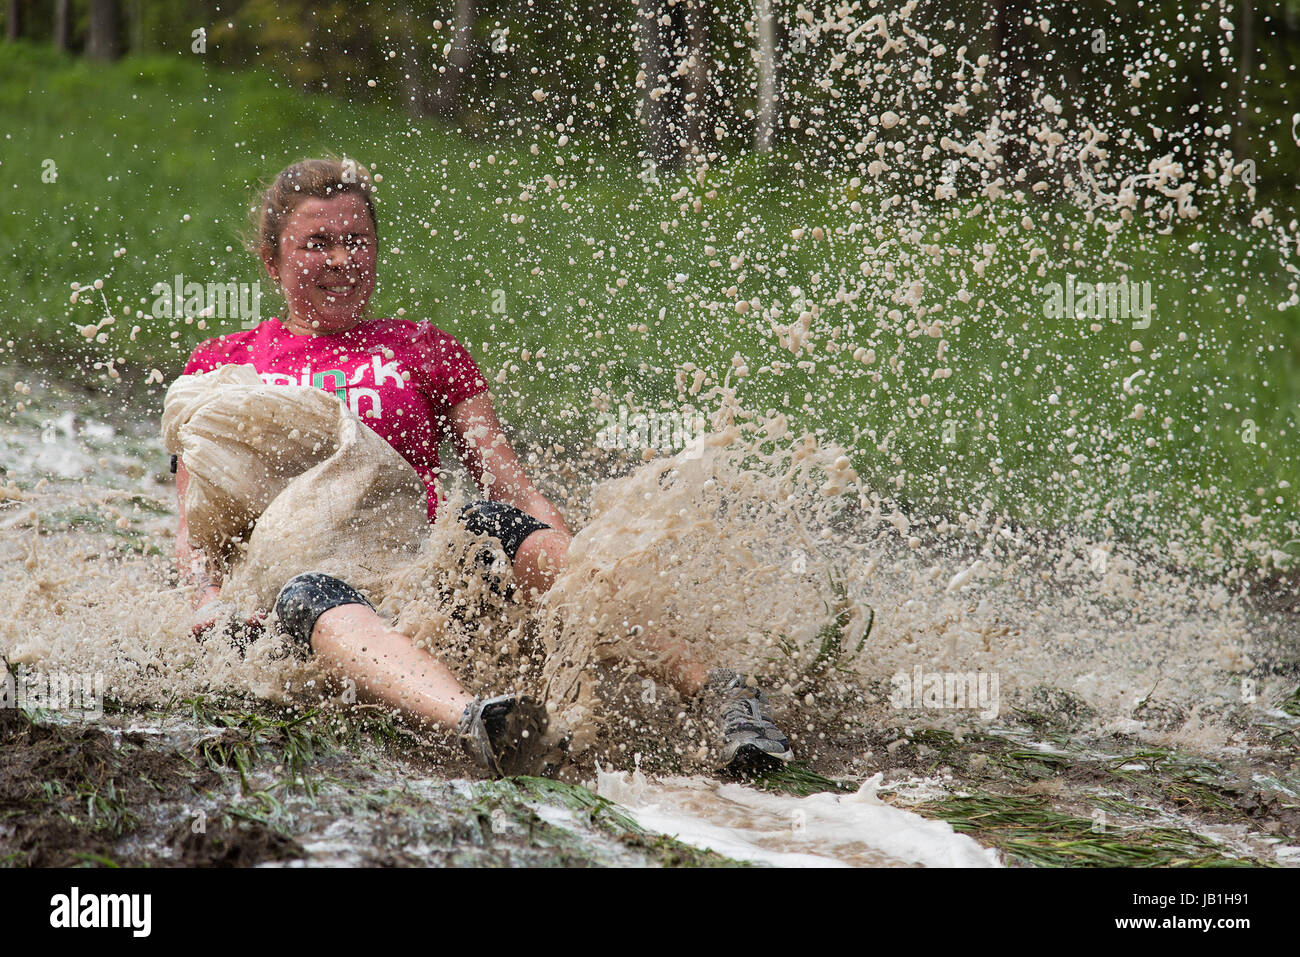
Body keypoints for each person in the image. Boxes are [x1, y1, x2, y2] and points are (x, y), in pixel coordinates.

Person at [172, 157, 792, 777]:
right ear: (271, 258)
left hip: (419, 576)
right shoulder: (225, 366)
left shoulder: (424, 348)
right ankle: (482, 721)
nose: (340, 260)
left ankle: (720, 689)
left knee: (491, 520)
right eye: (317, 244)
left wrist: (583, 575)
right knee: (309, 588)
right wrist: (209, 602)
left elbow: (510, 485)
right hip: (303, 590)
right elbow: (198, 523)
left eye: (356, 241)